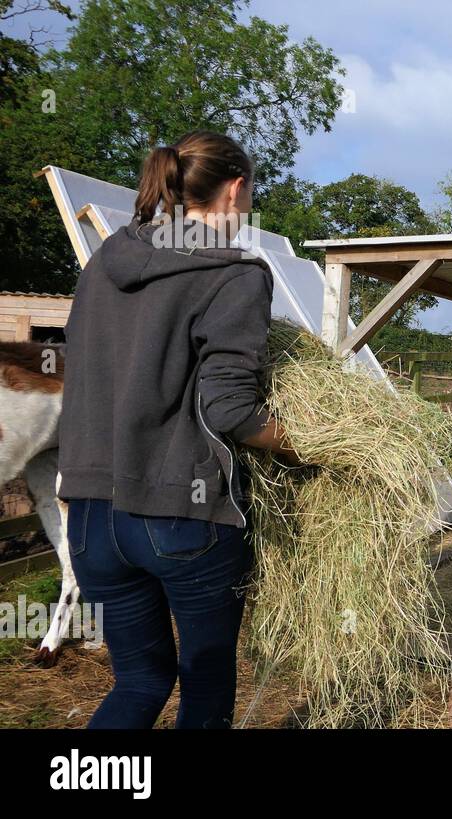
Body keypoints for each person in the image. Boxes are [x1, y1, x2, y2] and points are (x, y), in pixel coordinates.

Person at [58, 130, 296, 729]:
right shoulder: (235, 275)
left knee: (138, 682)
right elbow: (230, 409)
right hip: (180, 516)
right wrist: (305, 443)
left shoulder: (106, 262)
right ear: (236, 189)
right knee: (205, 694)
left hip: (89, 517)